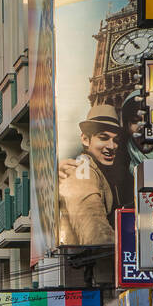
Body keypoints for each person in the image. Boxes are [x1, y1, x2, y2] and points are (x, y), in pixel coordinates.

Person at [57, 103, 134, 246]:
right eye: (103, 138)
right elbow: (90, 220)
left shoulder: (105, 170)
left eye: (115, 140)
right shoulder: (82, 169)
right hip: (90, 263)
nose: (111, 147)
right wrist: (113, 250)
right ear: (85, 139)